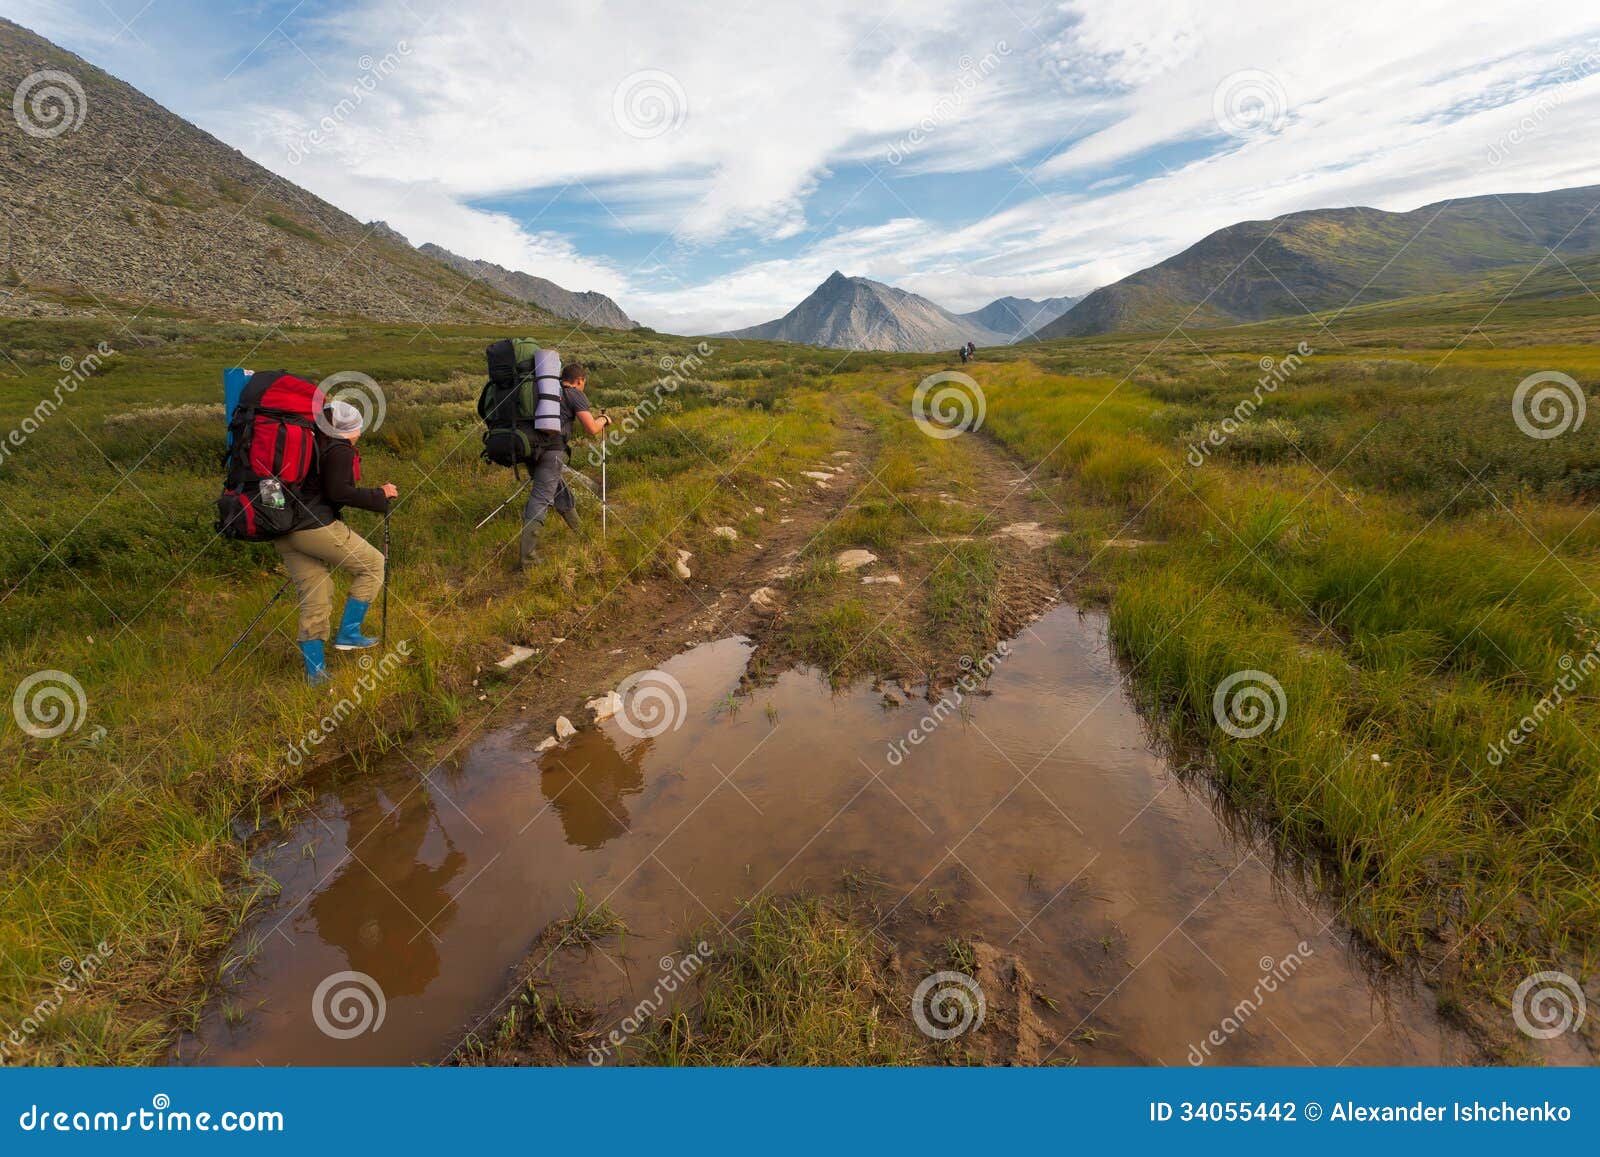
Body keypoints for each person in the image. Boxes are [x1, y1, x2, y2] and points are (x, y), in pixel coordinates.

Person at [274, 398, 398, 684]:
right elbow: (339, 492)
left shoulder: (310, 442)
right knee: (373, 565)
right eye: (358, 427)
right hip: (313, 527)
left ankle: (316, 675)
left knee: (316, 593)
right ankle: (349, 635)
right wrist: (380, 495)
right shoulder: (339, 450)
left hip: (282, 529)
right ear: (349, 428)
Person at [519, 361, 610, 568]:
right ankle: (528, 560)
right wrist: (604, 419)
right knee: (541, 498)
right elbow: (592, 429)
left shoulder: (545, 391)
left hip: (530, 450)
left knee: (559, 490)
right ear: (579, 380)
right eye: (583, 383)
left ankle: (582, 534)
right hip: (552, 451)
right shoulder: (573, 393)